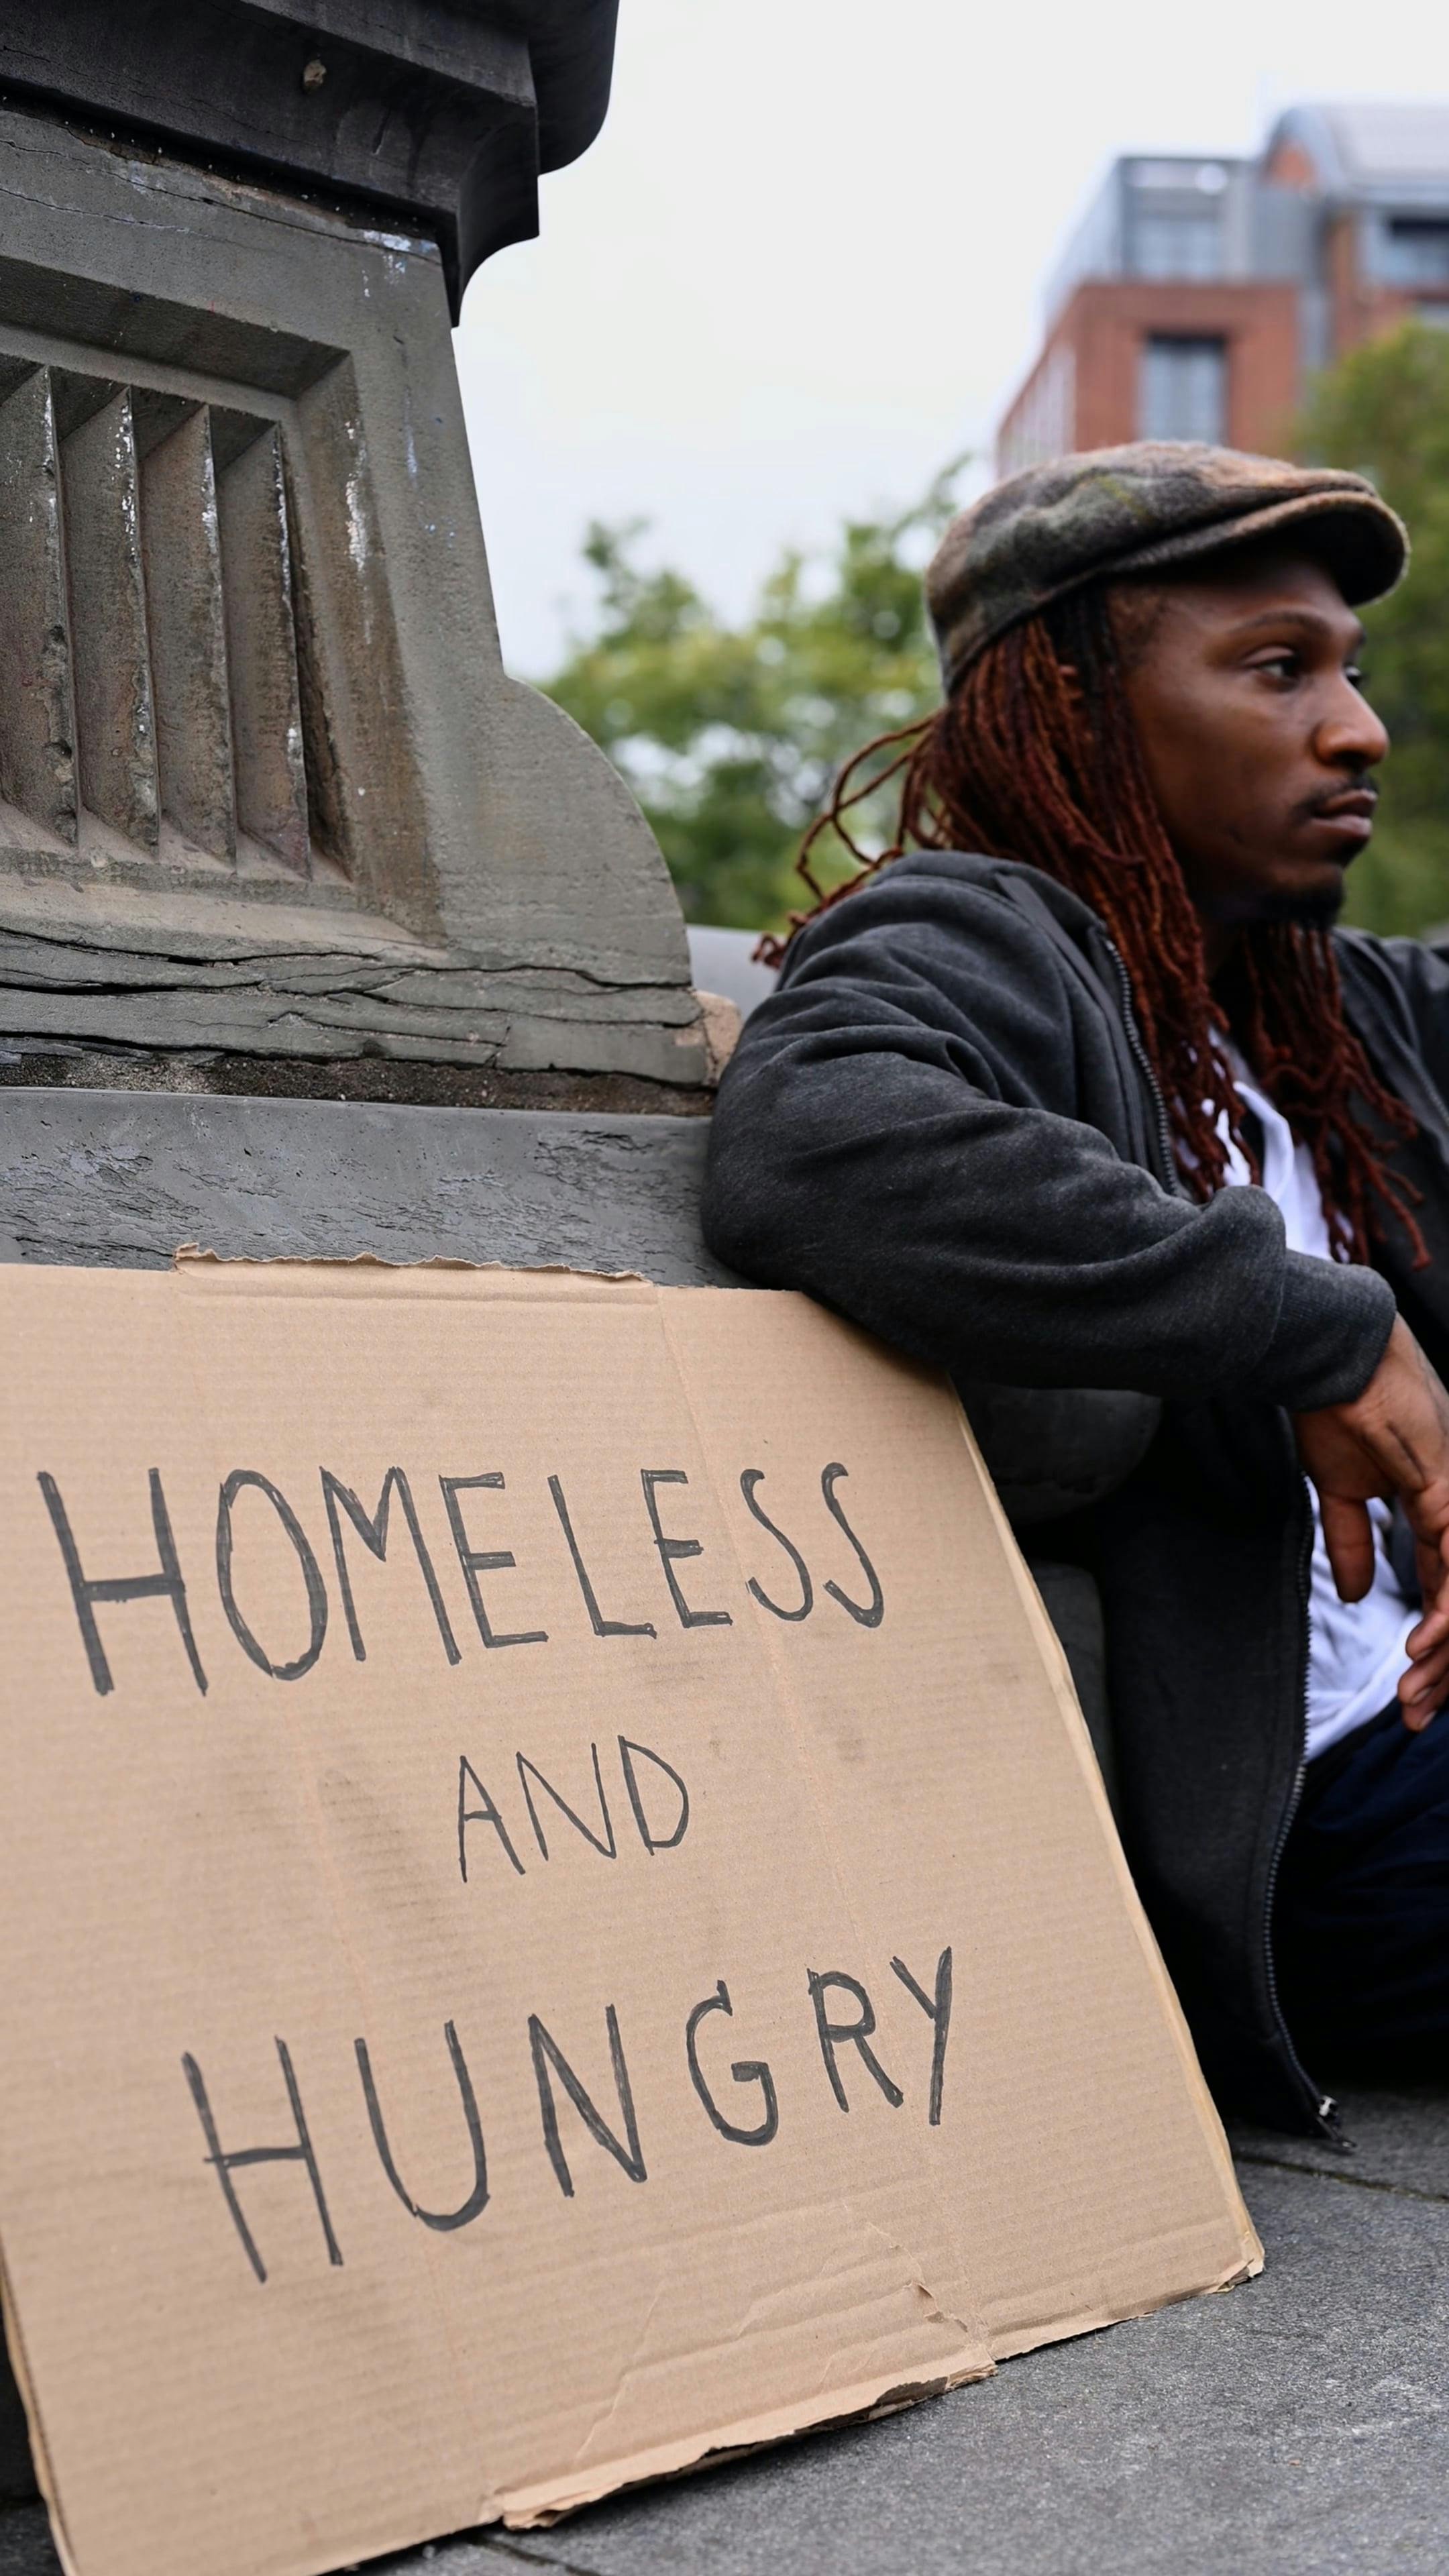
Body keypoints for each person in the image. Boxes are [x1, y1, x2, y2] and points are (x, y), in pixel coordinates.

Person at [702, 441, 1449, 2134]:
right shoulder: (982, 942)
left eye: (1351, 669)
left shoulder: (1339, 1017)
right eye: (1279, 668)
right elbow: (811, 1134)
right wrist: (1313, 1323)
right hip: (1303, 1819)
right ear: (1080, 705)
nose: (1359, 727)